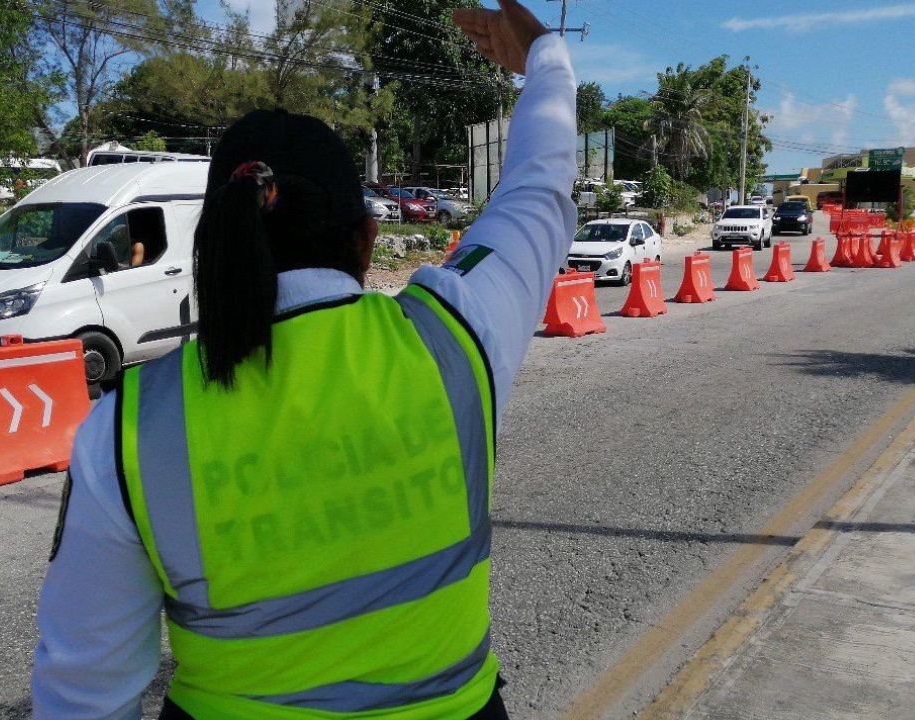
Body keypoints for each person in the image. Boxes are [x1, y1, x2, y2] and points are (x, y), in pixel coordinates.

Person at [30, 1, 575, 718]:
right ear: (366, 240)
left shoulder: (126, 429)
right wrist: (546, 58)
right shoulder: (455, 338)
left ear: (215, 246)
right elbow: (538, 188)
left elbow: (84, 694)